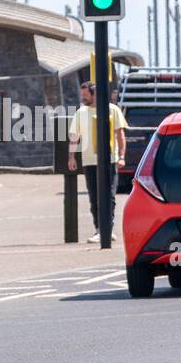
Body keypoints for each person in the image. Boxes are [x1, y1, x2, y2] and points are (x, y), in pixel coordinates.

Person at [68, 81, 127, 243]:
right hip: (89, 161)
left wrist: (122, 157)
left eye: (85, 95)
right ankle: (98, 229)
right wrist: (71, 157)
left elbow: (120, 136)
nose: (83, 98)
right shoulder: (80, 113)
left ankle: (107, 228)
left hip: (110, 160)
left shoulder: (113, 110)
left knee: (110, 195)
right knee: (94, 196)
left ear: (94, 95)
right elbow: (74, 137)